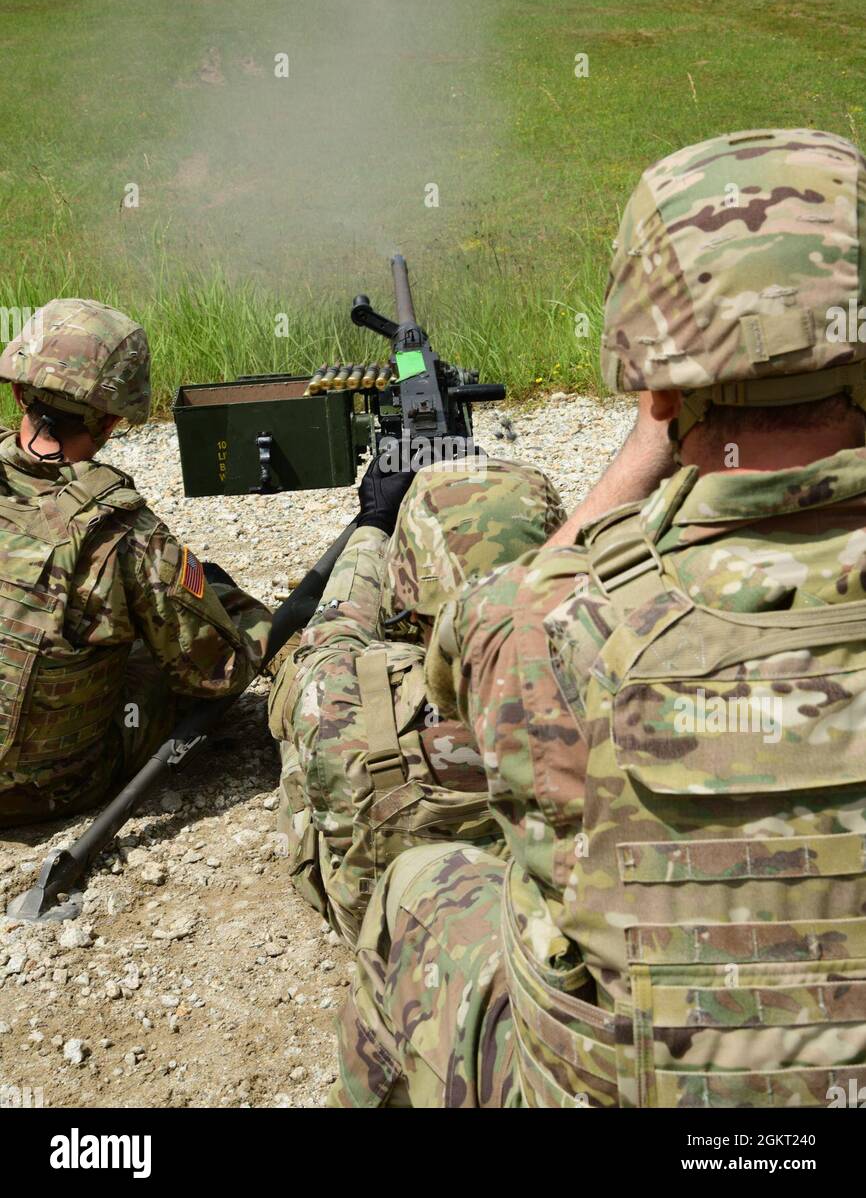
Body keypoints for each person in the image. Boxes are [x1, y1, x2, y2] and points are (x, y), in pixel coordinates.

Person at [331, 127, 866, 1109]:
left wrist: (644, 444)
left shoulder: (543, 629)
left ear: (655, 380)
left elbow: (459, 662)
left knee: (418, 890)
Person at [268, 453, 566, 948]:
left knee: (306, 731)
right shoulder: (621, 687)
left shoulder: (340, 692)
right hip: (548, 941)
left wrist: (373, 525)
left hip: (398, 946)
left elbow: (335, 630)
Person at [0, 298, 271, 827]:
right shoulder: (120, 528)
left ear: (16, 391)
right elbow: (215, 675)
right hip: (46, 792)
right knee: (159, 658)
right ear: (109, 421)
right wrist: (232, 605)